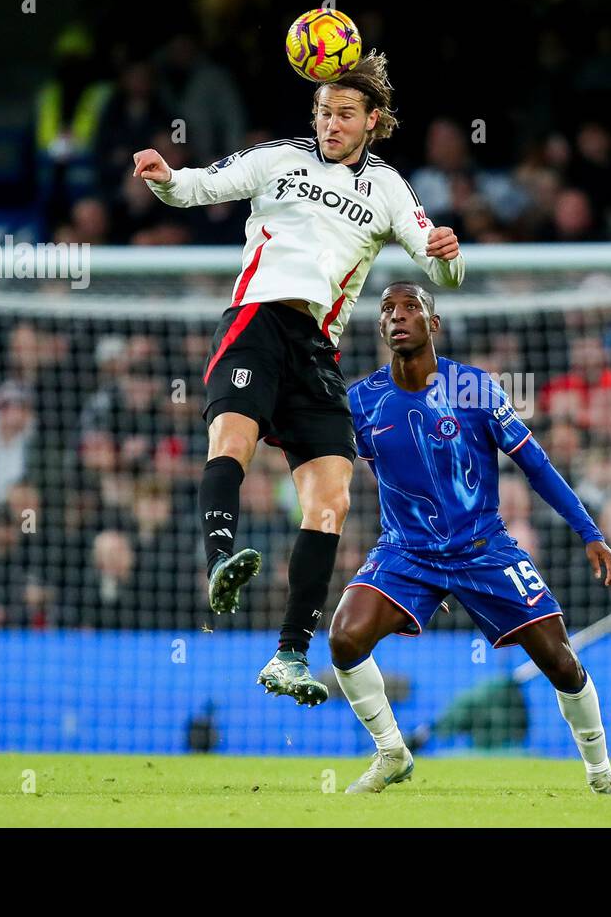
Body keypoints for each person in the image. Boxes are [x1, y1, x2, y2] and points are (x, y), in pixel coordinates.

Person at [132, 53, 464, 705]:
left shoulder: (389, 189)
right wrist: (164, 177)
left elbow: (438, 267)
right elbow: (197, 185)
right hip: (257, 318)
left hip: (317, 348)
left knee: (333, 500)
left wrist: (450, 257)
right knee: (232, 440)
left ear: (372, 120)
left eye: (343, 114)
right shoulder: (278, 158)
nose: (329, 124)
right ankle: (220, 556)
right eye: (321, 112)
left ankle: (289, 655)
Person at [327, 282, 611, 796]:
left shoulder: (473, 388)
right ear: (380, 328)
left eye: (412, 307)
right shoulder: (361, 402)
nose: (398, 315)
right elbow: (325, 463)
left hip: (484, 550)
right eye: (388, 309)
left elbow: (535, 464)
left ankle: (602, 774)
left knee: (560, 662)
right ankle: (391, 752)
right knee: (344, 636)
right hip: (406, 551)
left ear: (434, 325)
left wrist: (590, 532)